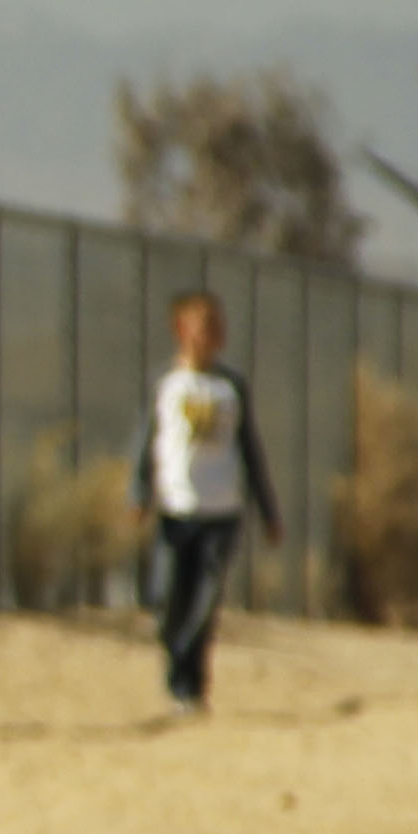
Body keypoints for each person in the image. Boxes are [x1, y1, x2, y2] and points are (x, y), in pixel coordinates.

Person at [135, 289, 282, 711]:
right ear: (182, 330)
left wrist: (268, 510)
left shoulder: (230, 387)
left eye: (218, 325)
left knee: (204, 601)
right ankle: (177, 662)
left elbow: (250, 449)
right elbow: (145, 441)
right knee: (165, 597)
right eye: (204, 325)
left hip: (221, 511)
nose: (213, 333)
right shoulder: (166, 382)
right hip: (174, 508)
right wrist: (137, 491)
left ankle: (189, 686)